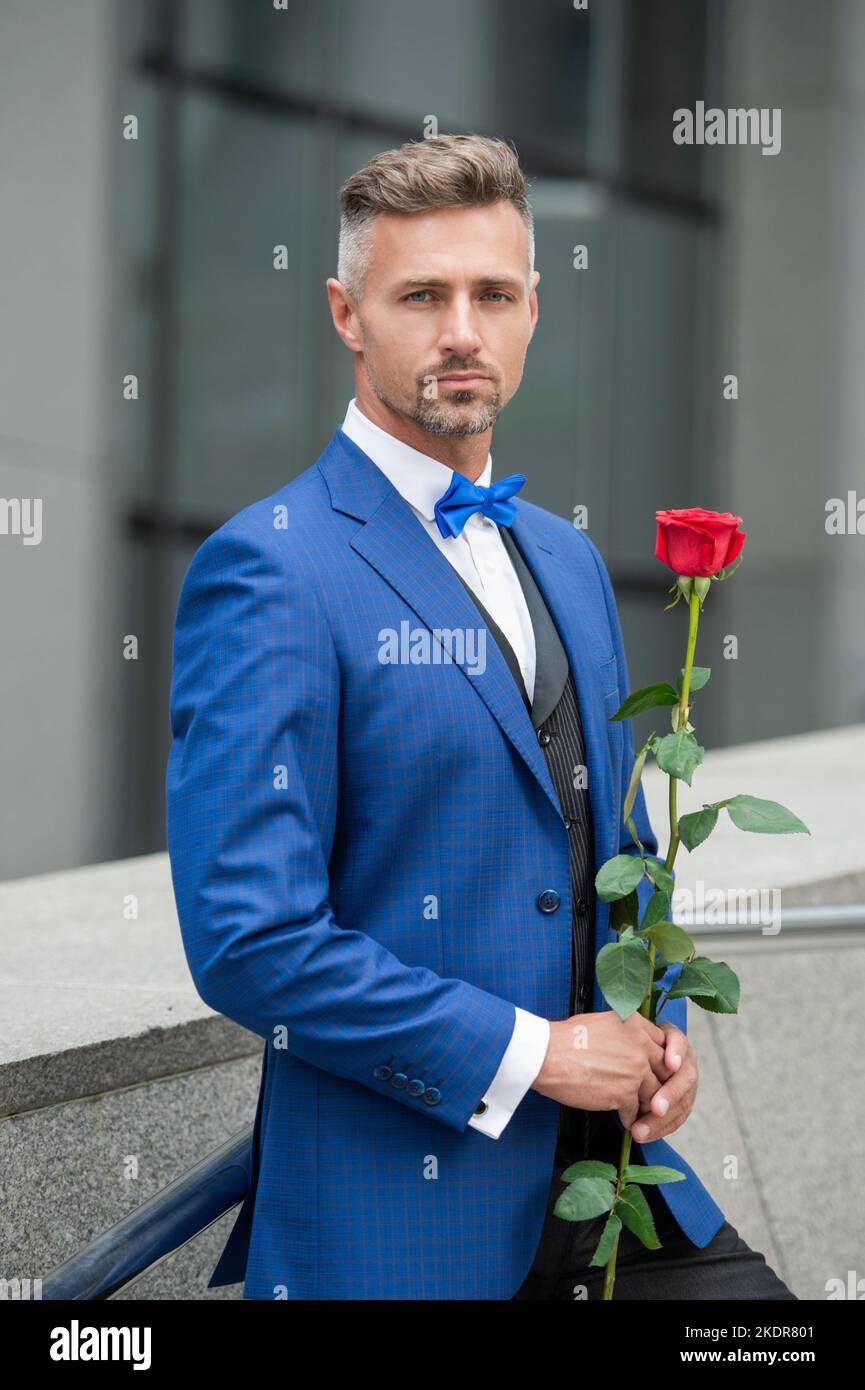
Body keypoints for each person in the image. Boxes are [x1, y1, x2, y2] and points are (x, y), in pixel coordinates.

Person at [165, 133, 795, 1301]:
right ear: (347, 313)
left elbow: (616, 852)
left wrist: (657, 1034)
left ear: (533, 310)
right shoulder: (270, 569)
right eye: (422, 295)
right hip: (400, 1223)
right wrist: (538, 1052)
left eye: (492, 293)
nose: (462, 328)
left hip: (619, 1191)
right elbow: (249, 940)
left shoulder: (564, 558)